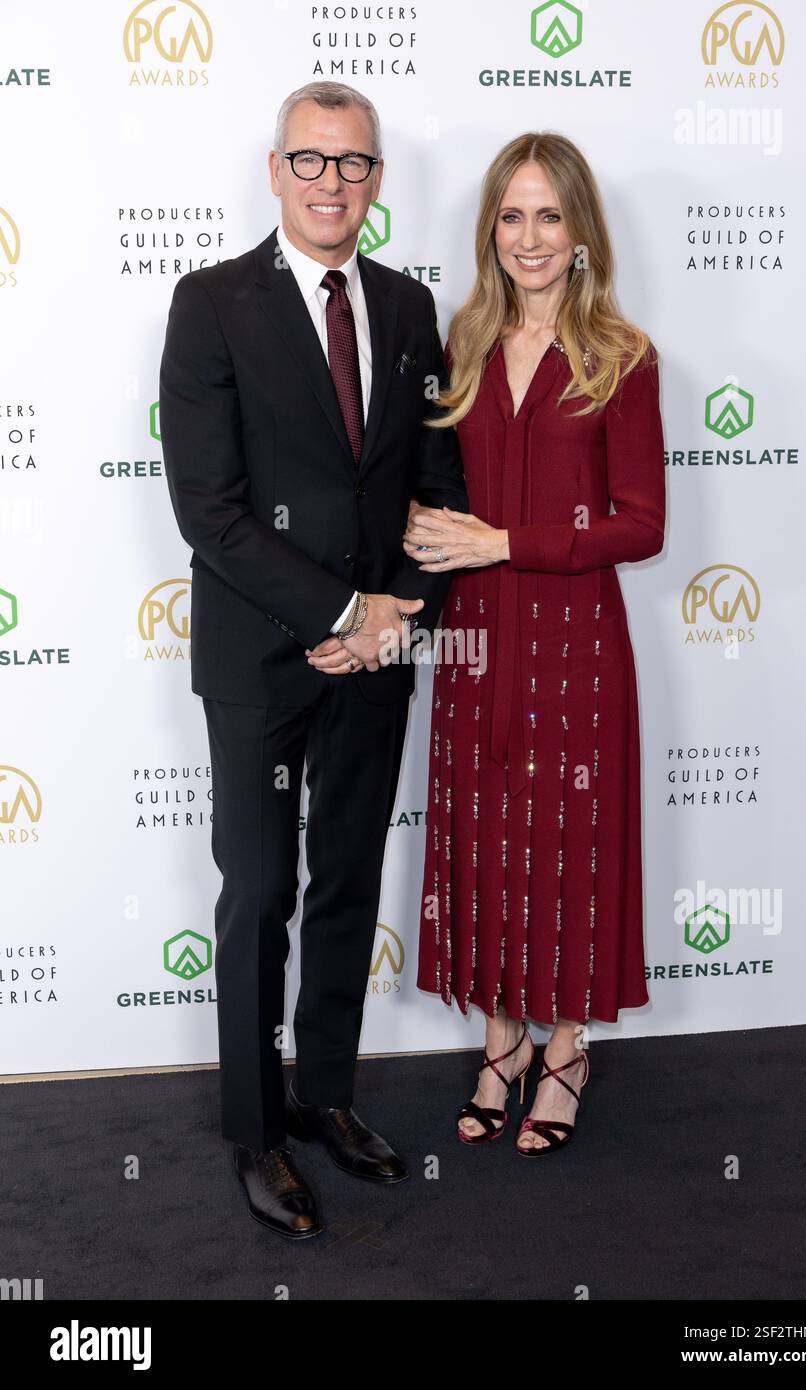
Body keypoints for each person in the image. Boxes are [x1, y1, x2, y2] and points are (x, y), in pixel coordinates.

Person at [159, 80, 468, 1237]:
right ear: (275, 170)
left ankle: (326, 1095)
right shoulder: (209, 304)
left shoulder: (408, 306)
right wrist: (337, 610)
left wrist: (399, 616)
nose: (330, 181)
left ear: (376, 178)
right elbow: (209, 509)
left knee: (345, 877)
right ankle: (256, 1131)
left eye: (352, 162)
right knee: (257, 892)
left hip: (377, 653)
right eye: (310, 159)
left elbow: (437, 488)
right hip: (260, 658)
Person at [404, 131, 665, 1155]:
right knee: (485, 841)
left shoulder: (622, 355)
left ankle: (565, 1049)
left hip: (574, 649)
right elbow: (431, 486)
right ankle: (500, 1040)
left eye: (549, 215)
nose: (529, 237)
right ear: (490, 231)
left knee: (569, 848)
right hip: (475, 639)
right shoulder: (462, 343)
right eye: (511, 216)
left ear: (580, 231)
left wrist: (506, 541)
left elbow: (641, 526)